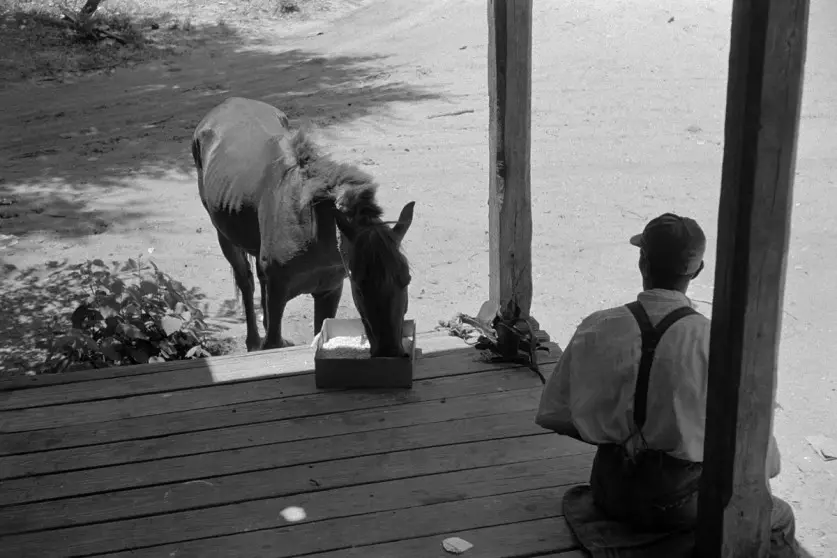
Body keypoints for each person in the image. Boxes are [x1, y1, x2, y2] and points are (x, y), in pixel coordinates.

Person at [535, 213, 800, 557]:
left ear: (642, 260)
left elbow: (555, 415)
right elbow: (764, 462)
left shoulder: (598, 326)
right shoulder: (717, 343)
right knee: (779, 517)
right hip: (681, 503)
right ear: (697, 270)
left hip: (611, 489)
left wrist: (621, 436)